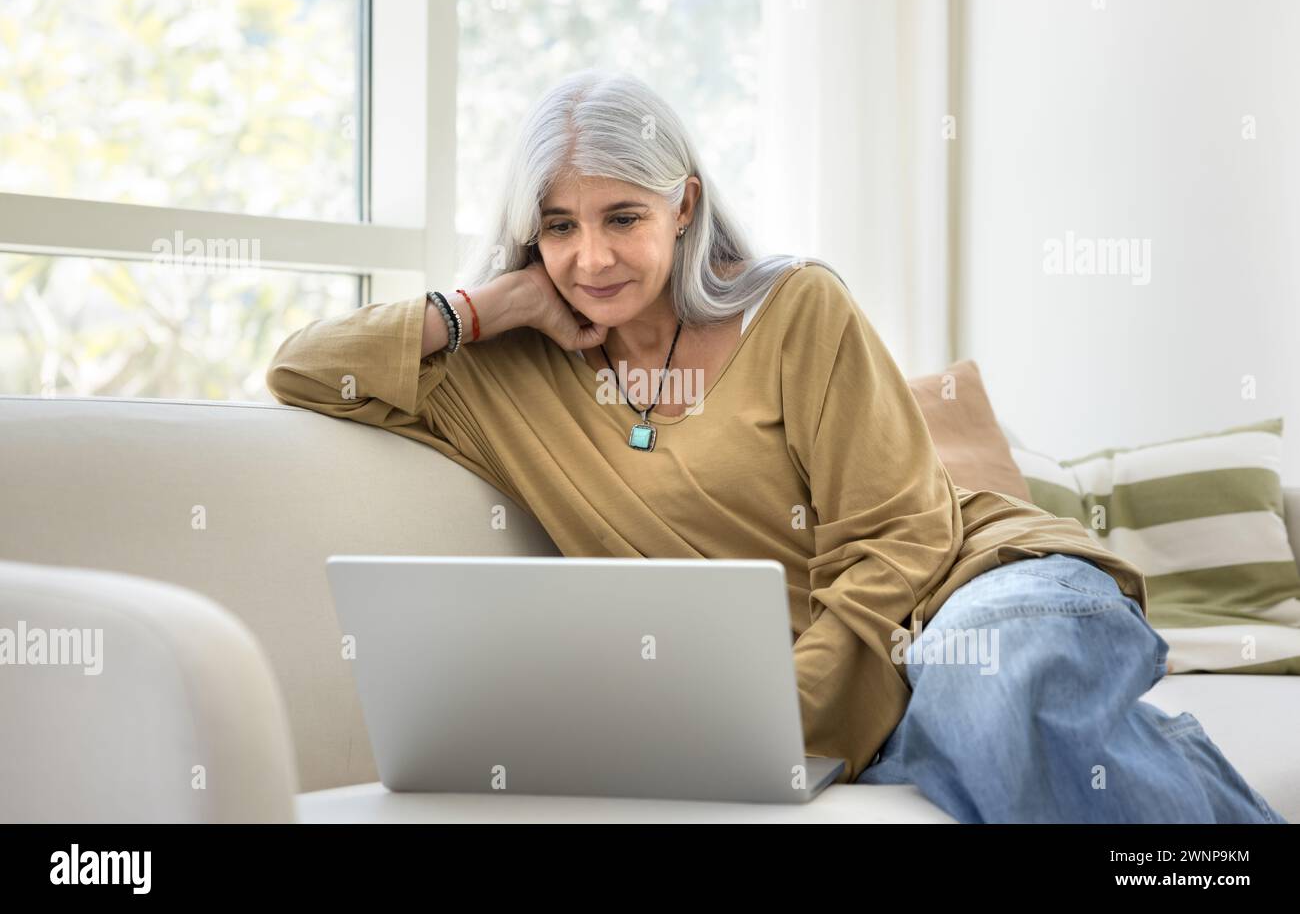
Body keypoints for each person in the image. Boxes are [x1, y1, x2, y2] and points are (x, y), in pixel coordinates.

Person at [265, 68, 1284, 823]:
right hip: (856, 670)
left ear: (686, 206)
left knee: (989, 697)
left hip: (978, 584)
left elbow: (896, 539)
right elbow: (304, 368)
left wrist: (783, 709)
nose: (591, 256)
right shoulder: (500, 377)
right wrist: (487, 304)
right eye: (557, 226)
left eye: (622, 216)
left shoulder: (792, 306)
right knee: (962, 741)